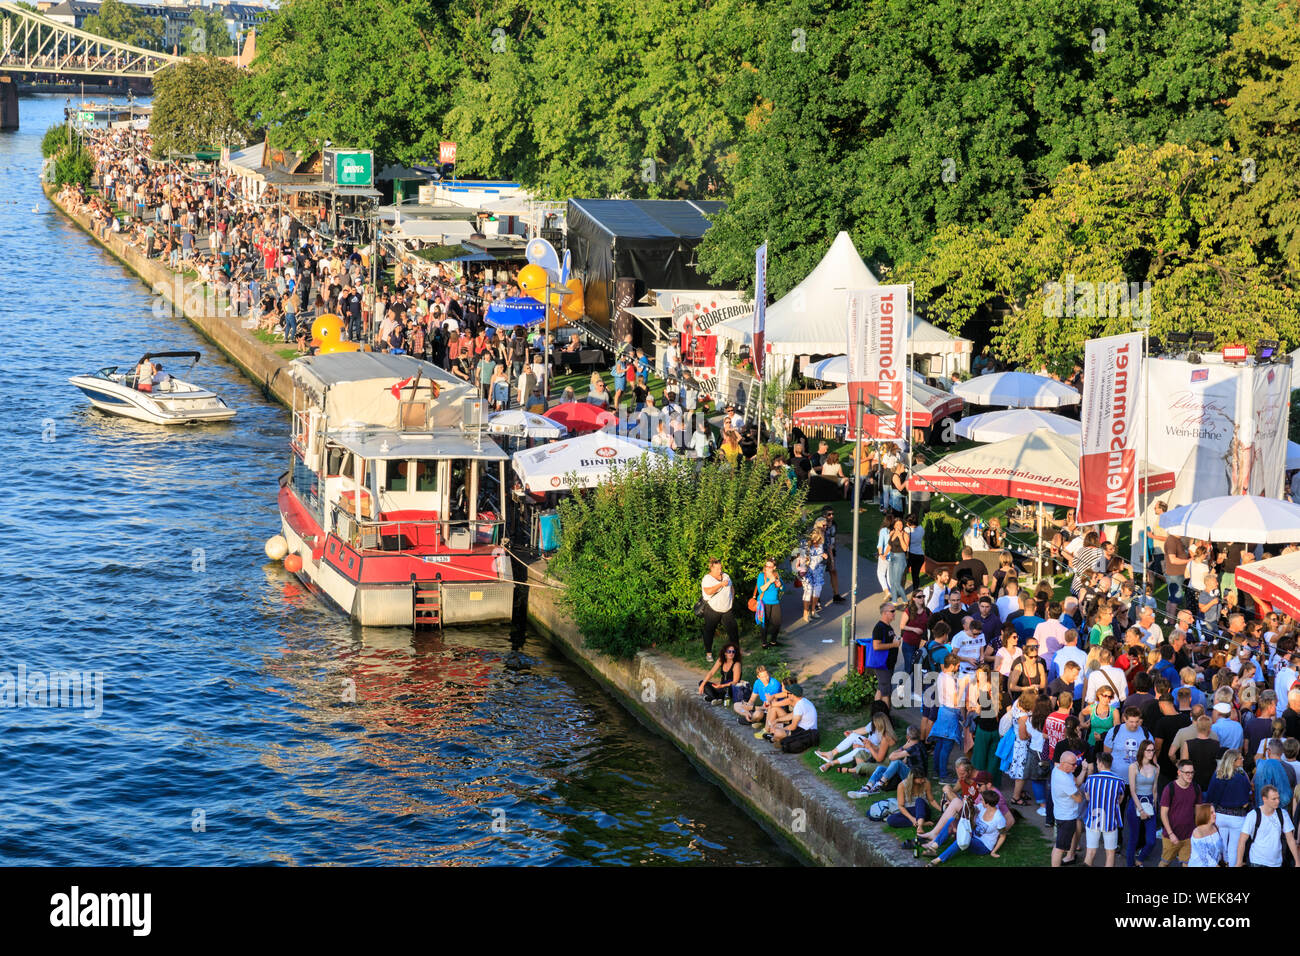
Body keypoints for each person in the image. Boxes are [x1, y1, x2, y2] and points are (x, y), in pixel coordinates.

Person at [927, 791, 1007, 865]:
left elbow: (1002, 836)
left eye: (981, 800)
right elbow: (971, 809)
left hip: (984, 845)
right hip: (973, 834)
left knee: (962, 840)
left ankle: (938, 860)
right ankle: (934, 847)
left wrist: (993, 851)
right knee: (952, 820)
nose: (980, 800)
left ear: (987, 803)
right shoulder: (983, 807)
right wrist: (967, 802)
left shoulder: (999, 818)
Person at [1206, 749, 1253, 863]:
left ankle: (1218, 863)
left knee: (1219, 846)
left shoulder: (1218, 774)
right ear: (1233, 761)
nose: (1243, 759)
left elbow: (1211, 795)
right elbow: (1248, 792)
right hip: (1237, 817)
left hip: (1220, 816)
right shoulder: (1241, 776)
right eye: (1240, 758)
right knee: (1234, 849)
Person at [1236, 785, 1300, 867]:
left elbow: (1290, 839)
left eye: (1278, 798)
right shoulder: (1253, 815)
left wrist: (1297, 862)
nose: (1277, 801)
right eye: (1274, 799)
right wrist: (1239, 862)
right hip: (1257, 861)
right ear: (1264, 799)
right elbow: (1242, 840)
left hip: (1277, 863)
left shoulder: (1283, 814)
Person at [1081, 751, 1126, 867]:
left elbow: (1087, 797)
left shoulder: (1090, 779)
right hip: (1110, 821)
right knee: (1110, 854)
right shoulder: (1119, 781)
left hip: (1093, 820)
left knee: (1090, 852)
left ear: (1100, 763)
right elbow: (1120, 800)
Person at [816, 712, 896, 773]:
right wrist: (852, 732)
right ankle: (831, 753)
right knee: (853, 735)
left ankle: (831, 763)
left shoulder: (885, 736)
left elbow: (879, 756)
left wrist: (865, 747)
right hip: (871, 746)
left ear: (879, 724)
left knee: (857, 750)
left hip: (873, 752)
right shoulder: (885, 731)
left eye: (875, 723)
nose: (873, 725)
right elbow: (865, 730)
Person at [1159, 759, 1203, 866]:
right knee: (1165, 863)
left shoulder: (1196, 788)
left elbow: (1198, 812)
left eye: (1192, 772)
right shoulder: (1170, 788)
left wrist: (1199, 831)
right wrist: (1170, 833)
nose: (1190, 775)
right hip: (1171, 835)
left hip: (1189, 835)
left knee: (1187, 863)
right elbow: (1163, 813)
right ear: (1179, 772)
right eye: (1187, 772)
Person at [1126, 739, 1161, 867]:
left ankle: (1139, 860)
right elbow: (1132, 791)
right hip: (1136, 802)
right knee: (1133, 840)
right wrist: (1140, 810)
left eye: (1153, 750)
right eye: (1149, 750)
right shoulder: (1133, 767)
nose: (1151, 753)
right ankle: (1130, 865)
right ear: (1142, 751)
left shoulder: (1156, 768)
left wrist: (1154, 807)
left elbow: (1155, 789)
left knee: (1151, 841)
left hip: (1150, 802)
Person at [1050, 749, 1085, 866]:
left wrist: (1083, 770)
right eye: (1073, 764)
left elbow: (1076, 783)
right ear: (1063, 763)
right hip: (1066, 817)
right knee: (1060, 847)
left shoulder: (1058, 770)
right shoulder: (1064, 779)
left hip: (1063, 814)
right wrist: (1080, 792)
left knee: (1060, 844)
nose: (1076, 766)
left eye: (1076, 763)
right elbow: (1079, 799)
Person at [698, 558, 737, 663]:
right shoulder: (707, 578)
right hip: (712, 609)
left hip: (727, 609)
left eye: (721, 568)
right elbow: (708, 591)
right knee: (709, 631)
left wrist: (731, 600)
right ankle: (709, 653)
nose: (720, 570)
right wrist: (720, 584)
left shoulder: (726, 576)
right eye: (717, 569)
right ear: (711, 568)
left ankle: (737, 651)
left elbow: (732, 588)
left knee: (733, 630)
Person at [767, 682, 818, 752]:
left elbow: (793, 727)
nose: (787, 695)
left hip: (805, 731)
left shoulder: (799, 706)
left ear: (793, 695)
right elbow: (792, 715)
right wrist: (777, 720)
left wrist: (780, 730)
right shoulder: (803, 701)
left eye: (788, 693)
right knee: (775, 726)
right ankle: (776, 738)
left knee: (777, 732)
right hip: (802, 727)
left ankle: (774, 739)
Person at [753, 558, 784, 648]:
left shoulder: (776, 575)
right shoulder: (761, 575)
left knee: (777, 623)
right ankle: (764, 643)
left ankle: (773, 641)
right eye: (766, 566)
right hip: (764, 602)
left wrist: (780, 585)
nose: (768, 568)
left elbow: (783, 588)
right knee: (764, 623)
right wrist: (770, 581)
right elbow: (761, 589)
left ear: (774, 567)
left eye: (770, 567)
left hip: (775, 602)